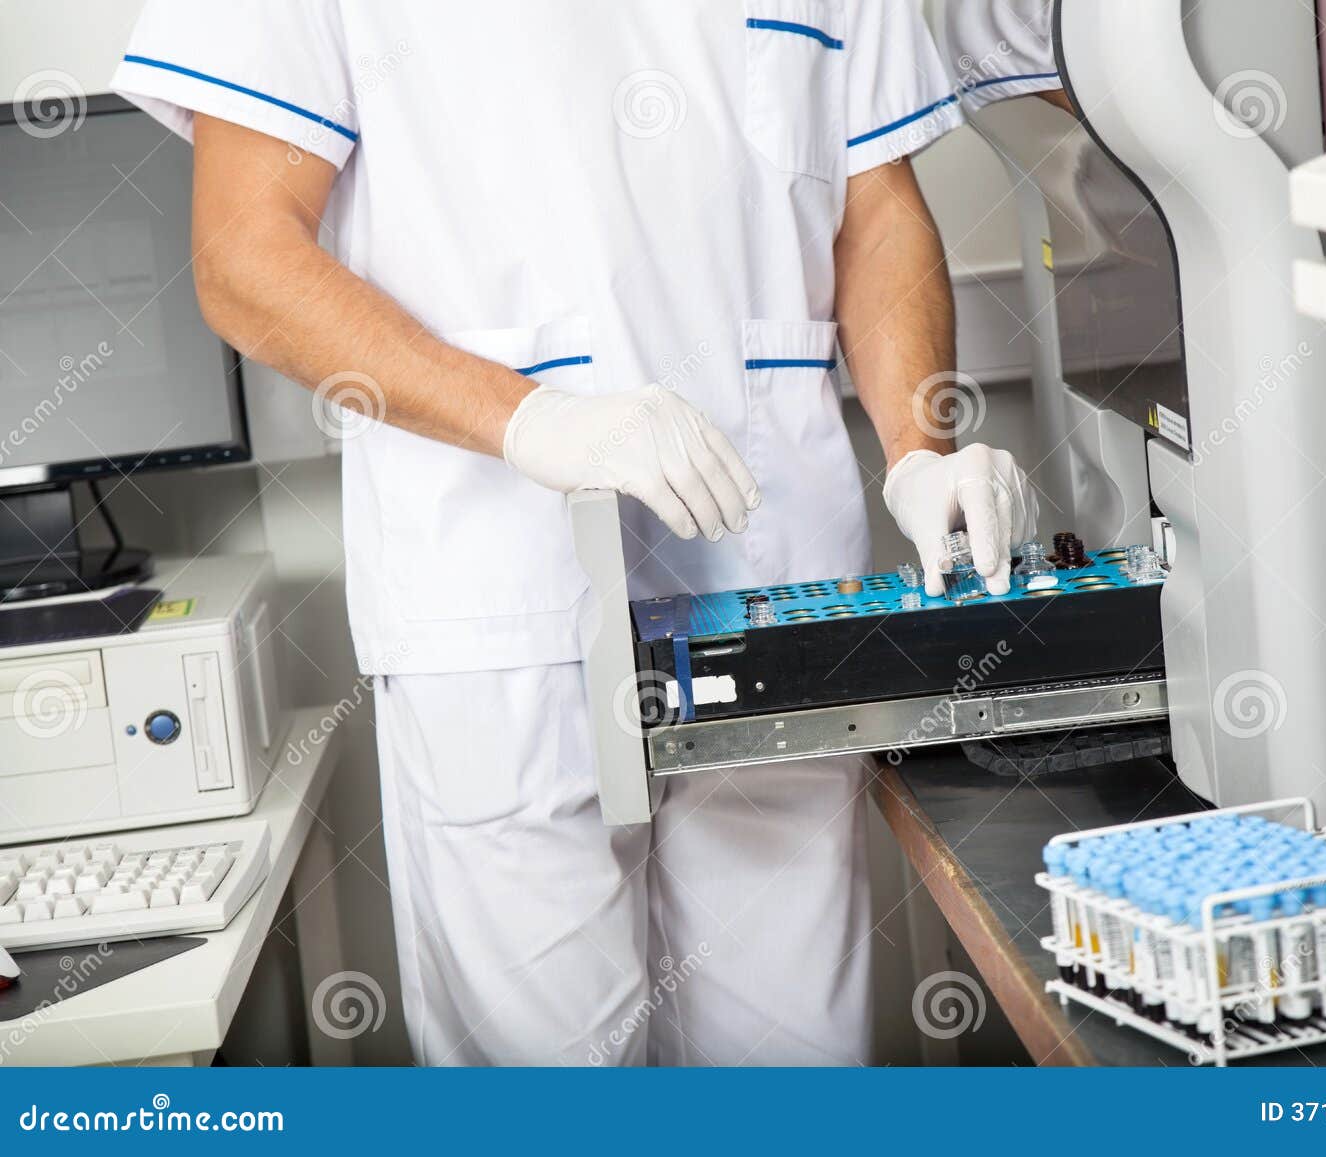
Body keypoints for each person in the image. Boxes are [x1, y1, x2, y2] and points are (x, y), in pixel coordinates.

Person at [114, 1, 1038, 1065]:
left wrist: (918, 447)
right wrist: (526, 418)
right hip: (498, 592)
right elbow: (244, 255)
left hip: (772, 598)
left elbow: (875, 209)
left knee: (798, 1063)